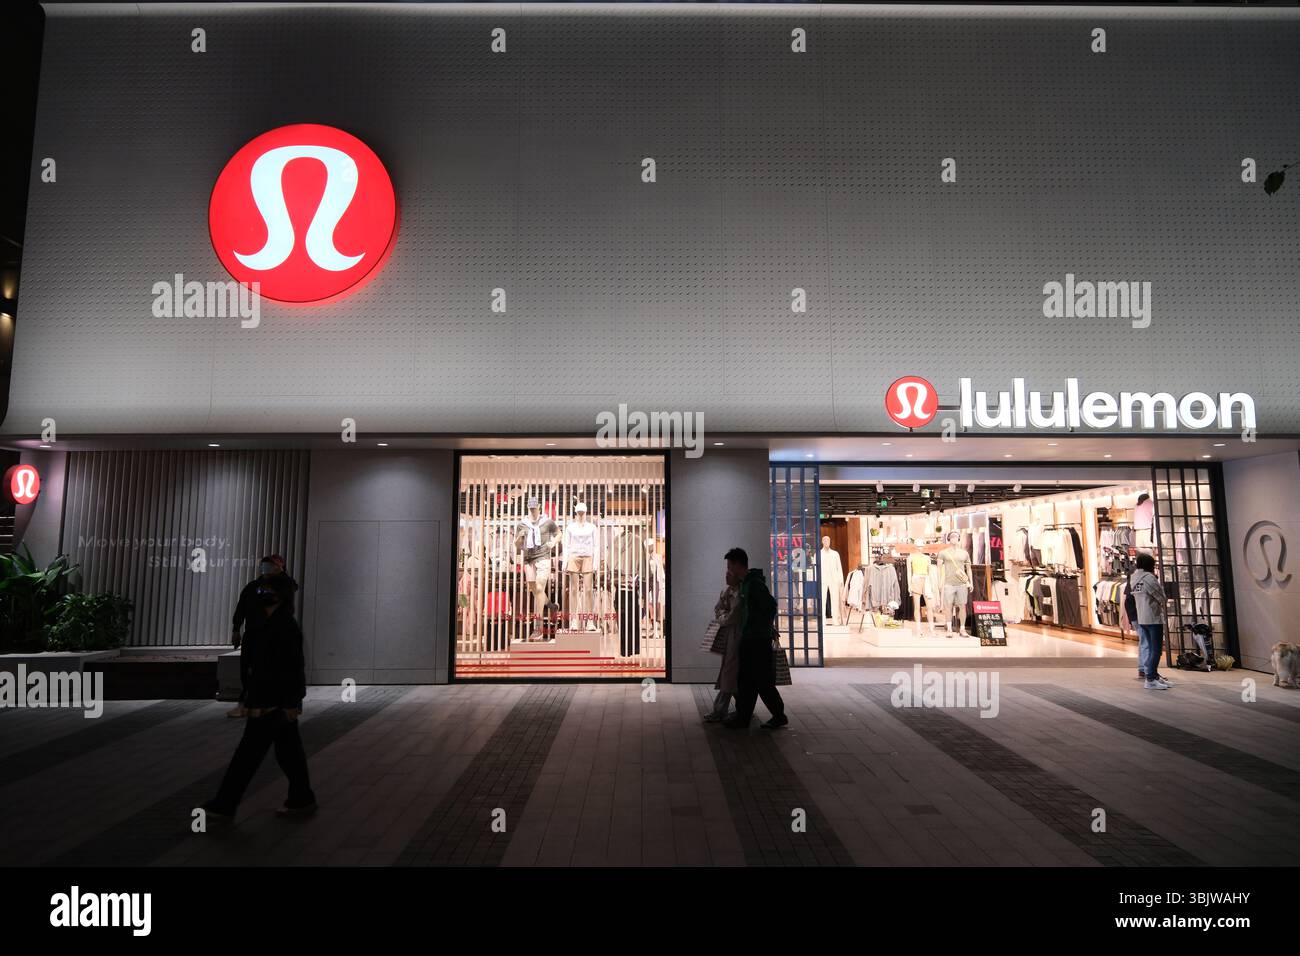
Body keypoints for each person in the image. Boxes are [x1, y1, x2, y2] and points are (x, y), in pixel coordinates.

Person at [203, 573, 317, 820]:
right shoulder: (261, 624)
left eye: (267, 591)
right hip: (266, 698)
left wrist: (291, 702)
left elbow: (293, 667)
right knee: (288, 752)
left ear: (280, 596)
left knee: (248, 754)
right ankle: (302, 798)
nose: (261, 594)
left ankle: (224, 805)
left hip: (273, 701)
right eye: (260, 590)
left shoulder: (285, 626)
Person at [721, 547, 789, 730]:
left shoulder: (754, 584)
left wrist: (758, 626)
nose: (728, 569)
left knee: (760, 681)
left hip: (757, 640)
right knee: (748, 681)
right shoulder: (746, 583)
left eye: (730, 565)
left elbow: (770, 606)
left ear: (737, 565)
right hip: (751, 638)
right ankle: (744, 716)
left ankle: (777, 715)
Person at [228, 555, 298, 717]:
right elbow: (241, 608)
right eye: (264, 565)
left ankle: (268, 703)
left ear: (279, 567)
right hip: (253, 633)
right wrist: (236, 629)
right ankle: (246, 703)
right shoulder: (253, 586)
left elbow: (291, 587)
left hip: (275, 636)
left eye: (269, 565)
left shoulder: (285, 585)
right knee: (247, 669)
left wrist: (280, 575)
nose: (265, 568)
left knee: (269, 669)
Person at [704, 565, 742, 722]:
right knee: (731, 674)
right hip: (730, 638)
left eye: (729, 574)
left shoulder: (740, 595)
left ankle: (720, 710)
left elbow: (729, 617)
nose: (726, 577)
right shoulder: (728, 592)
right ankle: (742, 708)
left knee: (729, 674)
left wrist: (723, 616)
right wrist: (723, 615)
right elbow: (718, 609)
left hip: (737, 639)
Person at [1129, 553, 1173, 690]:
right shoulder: (1149, 578)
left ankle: (1153, 675)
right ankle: (1150, 678)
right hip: (1153, 617)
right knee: (1156, 650)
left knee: (1150, 648)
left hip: (1142, 617)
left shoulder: (1134, 578)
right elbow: (1161, 596)